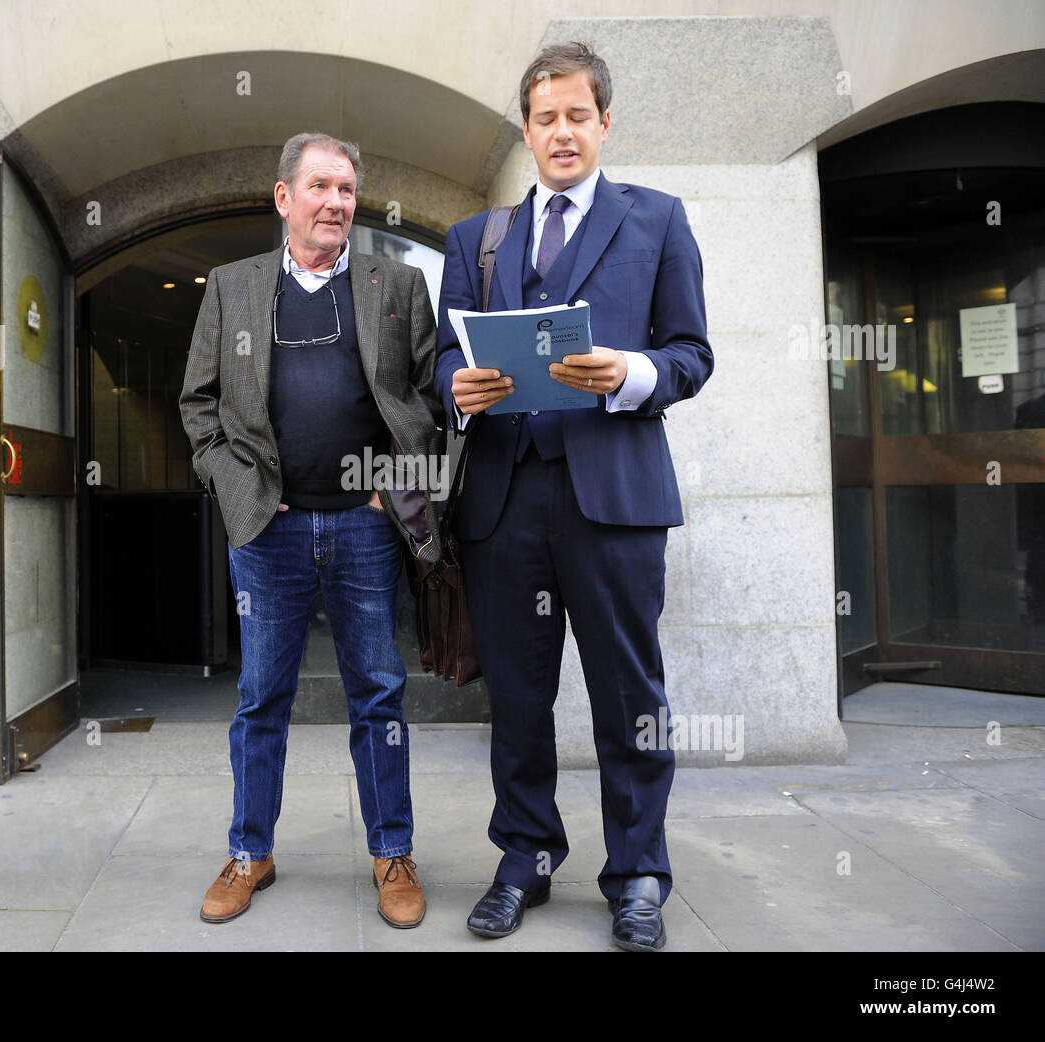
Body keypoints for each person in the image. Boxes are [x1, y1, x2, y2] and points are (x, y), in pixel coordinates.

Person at [434, 42, 713, 951]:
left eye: (577, 116)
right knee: (517, 697)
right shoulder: (477, 239)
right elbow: (445, 358)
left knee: (629, 693)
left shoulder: (659, 221)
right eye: (545, 118)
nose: (562, 132)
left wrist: (629, 371)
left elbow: (691, 354)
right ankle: (524, 859)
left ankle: (637, 872)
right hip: (505, 503)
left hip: (616, 501)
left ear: (604, 124)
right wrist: (457, 391)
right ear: (526, 128)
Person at [180, 132, 444, 929]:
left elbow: (431, 406)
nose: (337, 202)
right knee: (262, 697)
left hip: (366, 530)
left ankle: (392, 852)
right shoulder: (232, 287)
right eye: (322, 187)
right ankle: (249, 852)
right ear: (284, 198)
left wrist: (395, 489)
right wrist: (237, 493)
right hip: (268, 530)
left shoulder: (395, 284)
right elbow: (200, 408)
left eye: (349, 190)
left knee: (379, 693)